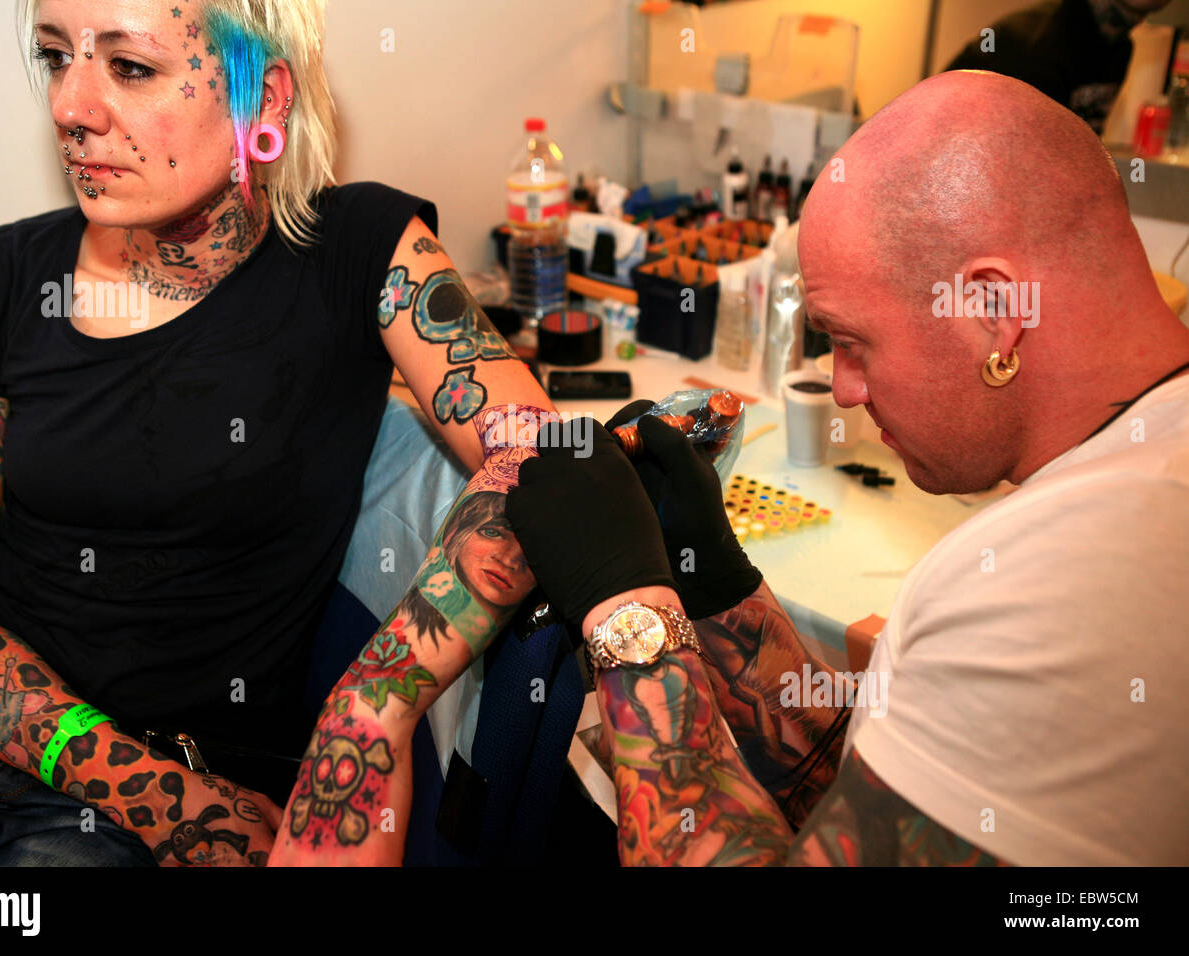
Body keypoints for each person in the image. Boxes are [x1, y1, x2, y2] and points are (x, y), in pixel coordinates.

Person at [0, 0, 554, 867]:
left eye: (129, 67)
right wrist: (155, 794)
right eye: (58, 57)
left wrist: (371, 706)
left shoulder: (358, 250)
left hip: (182, 784)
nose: (69, 106)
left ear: (263, 97)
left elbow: (544, 462)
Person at [506, 69, 1189, 866]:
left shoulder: (1065, 585)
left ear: (994, 313)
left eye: (853, 342)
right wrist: (721, 594)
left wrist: (632, 619)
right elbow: (876, 797)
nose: (844, 388)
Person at [943, 0, 1173, 135]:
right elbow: (1028, 151)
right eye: (1122, 10)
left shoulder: (1119, 48)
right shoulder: (1039, 42)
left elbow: (1084, 138)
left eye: (1142, 15)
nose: (1132, 22)